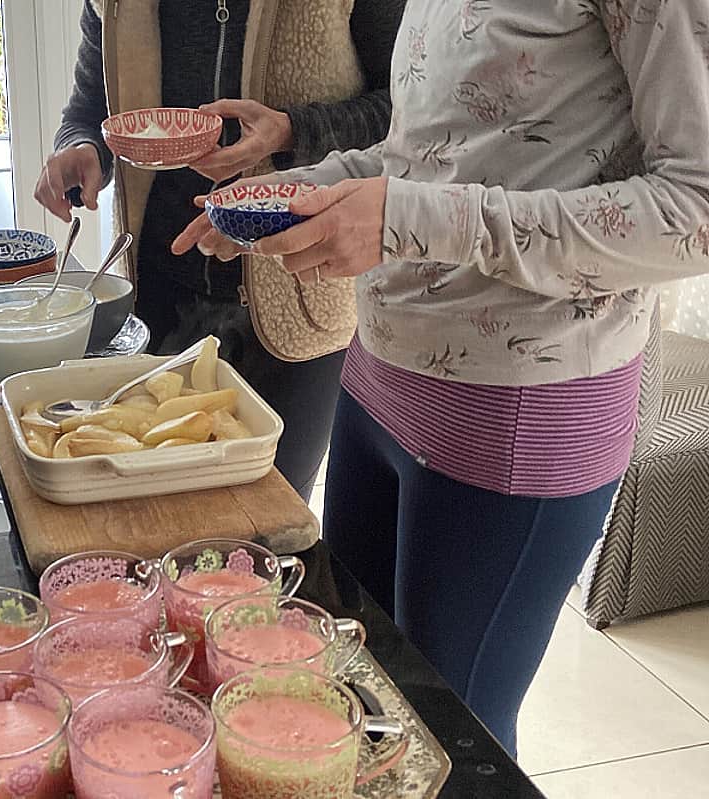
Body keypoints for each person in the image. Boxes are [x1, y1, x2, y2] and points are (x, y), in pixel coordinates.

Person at [174, 0, 709, 757]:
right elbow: (424, 154)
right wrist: (308, 191)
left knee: (451, 746)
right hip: (380, 379)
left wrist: (410, 219)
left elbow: (695, 208)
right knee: (358, 701)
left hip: (520, 407)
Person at [35, 0, 406, 500]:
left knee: (270, 516)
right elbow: (89, 109)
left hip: (298, 302)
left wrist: (293, 131)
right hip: (156, 291)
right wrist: (80, 147)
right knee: (156, 509)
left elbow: (407, 113)